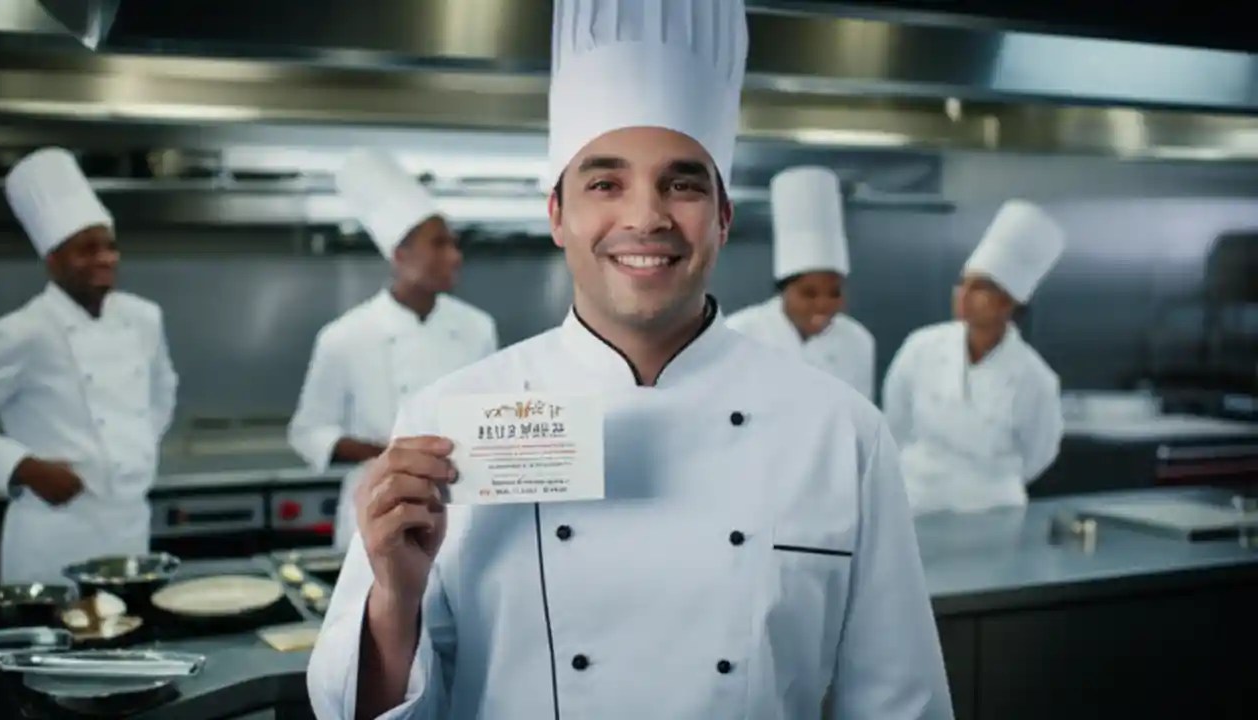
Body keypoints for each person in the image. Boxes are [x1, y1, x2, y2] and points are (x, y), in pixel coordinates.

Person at [307, 1, 952, 718]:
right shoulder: (444, 421)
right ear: (557, 215)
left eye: (682, 183)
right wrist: (396, 600)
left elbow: (901, 702)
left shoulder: (842, 436)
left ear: (724, 217)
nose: (646, 218)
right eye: (605, 183)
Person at [0, 147, 178, 584]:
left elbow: (162, 390)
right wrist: (23, 467)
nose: (104, 259)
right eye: (86, 250)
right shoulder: (23, 332)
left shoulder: (144, 318)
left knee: (129, 640)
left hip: (128, 528)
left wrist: (136, 447)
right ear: (53, 260)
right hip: (54, 534)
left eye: (109, 247)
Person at [288, 150, 498, 550]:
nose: (455, 256)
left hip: (463, 509)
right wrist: (393, 454)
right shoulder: (346, 336)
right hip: (376, 507)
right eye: (439, 245)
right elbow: (308, 432)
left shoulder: (477, 328)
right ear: (400, 255)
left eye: (454, 244)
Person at [882, 200, 1065, 515]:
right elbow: (894, 422)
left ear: (1008, 302)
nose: (963, 295)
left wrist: (986, 484)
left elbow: (1039, 454)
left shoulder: (1035, 378)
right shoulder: (921, 347)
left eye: (980, 287)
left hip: (992, 512)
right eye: (962, 282)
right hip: (916, 504)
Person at [727, 166, 876, 400]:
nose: (823, 304)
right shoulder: (739, 332)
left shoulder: (857, 341)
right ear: (784, 291)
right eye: (809, 293)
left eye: (834, 293)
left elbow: (861, 419)